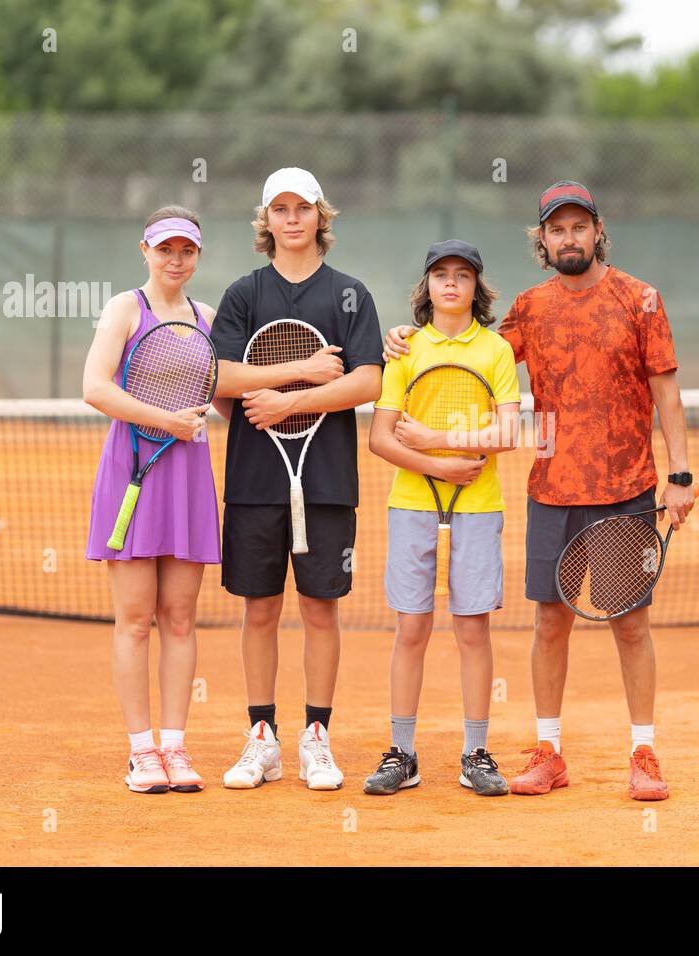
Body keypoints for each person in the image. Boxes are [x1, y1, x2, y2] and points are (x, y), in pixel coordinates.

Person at [383, 182, 692, 801]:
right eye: (556, 229)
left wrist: (679, 475)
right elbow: (471, 349)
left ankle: (644, 753)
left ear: (597, 231)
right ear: (542, 240)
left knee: (630, 624)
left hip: (627, 486)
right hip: (552, 489)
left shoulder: (642, 300)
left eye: (579, 227)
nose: (568, 238)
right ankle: (549, 752)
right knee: (550, 623)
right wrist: (403, 336)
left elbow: (667, 394)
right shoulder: (528, 308)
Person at [210, 168, 384, 791]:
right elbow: (222, 379)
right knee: (259, 610)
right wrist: (304, 370)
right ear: (266, 220)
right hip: (255, 481)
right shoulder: (242, 295)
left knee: (320, 610)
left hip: (328, 480)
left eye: (301, 209)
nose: (291, 219)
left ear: (319, 217)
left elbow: (368, 381)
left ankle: (316, 736)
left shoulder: (350, 295)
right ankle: (262, 737)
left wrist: (289, 401)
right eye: (279, 209)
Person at [364, 240, 521, 797]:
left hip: (479, 509)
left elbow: (508, 434)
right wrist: (439, 465)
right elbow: (380, 439)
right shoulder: (403, 349)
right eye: (440, 274)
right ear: (426, 286)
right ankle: (402, 755)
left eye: (462, 275)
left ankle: (476, 753)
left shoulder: (497, 350)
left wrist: (440, 441)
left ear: (477, 287)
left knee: (473, 629)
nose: (450, 283)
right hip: (411, 505)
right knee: (411, 628)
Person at [83, 206, 222, 794]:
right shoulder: (123, 309)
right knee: (137, 620)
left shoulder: (208, 317)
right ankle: (141, 752)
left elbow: (229, 386)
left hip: (188, 474)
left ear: (196, 256)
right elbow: (95, 387)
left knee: (181, 618)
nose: (175, 259)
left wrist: (309, 376)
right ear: (145, 249)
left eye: (185, 250)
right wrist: (166, 420)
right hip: (133, 471)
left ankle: (174, 746)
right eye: (165, 248)